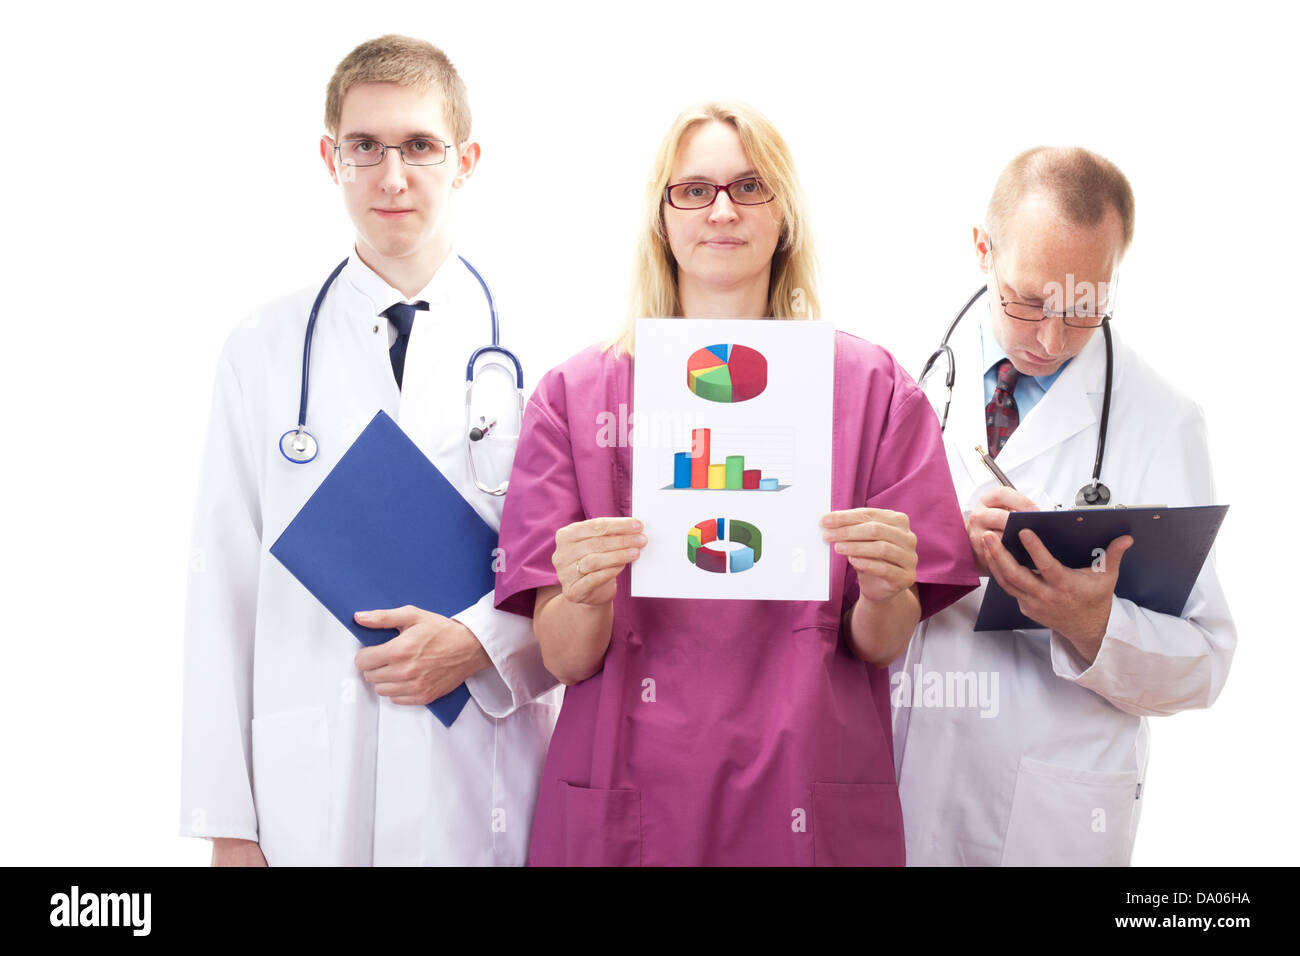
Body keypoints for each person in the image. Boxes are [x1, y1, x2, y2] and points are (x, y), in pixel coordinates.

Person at [492, 101, 979, 866]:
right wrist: (582, 595)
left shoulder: (874, 389)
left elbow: (880, 645)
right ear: (662, 218)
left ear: (784, 214)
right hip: (630, 792)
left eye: (750, 186)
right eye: (694, 190)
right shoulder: (574, 398)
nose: (722, 209)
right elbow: (565, 659)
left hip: (804, 786)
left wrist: (889, 592)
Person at [180, 35, 560, 866]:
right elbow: (224, 596)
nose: (393, 176)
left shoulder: (544, 353)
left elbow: (579, 578)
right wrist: (230, 827)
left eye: (421, 145)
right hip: (312, 791)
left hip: (482, 778)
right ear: (331, 157)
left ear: (465, 161)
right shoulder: (262, 349)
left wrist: (481, 644)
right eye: (366, 147)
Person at [893, 146, 1236, 866]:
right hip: (895, 780)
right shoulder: (898, 376)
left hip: (1044, 817)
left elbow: (1205, 662)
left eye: (1085, 310)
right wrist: (936, 549)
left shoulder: (1163, 420)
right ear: (982, 250)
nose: (1052, 340)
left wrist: (1096, 624)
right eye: (1030, 302)